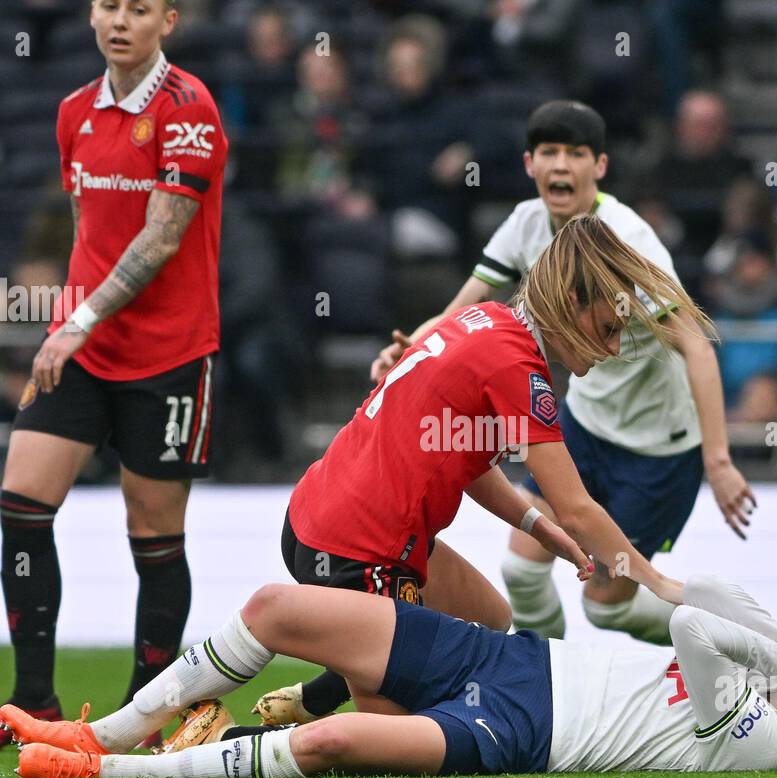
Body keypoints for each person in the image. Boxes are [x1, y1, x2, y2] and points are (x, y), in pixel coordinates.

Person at [267, 214, 705, 726]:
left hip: (319, 518)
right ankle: (236, 742)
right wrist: (658, 581)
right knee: (398, 739)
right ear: (570, 303)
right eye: (608, 329)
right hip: (358, 551)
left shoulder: (485, 322)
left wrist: (538, 527)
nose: (611, 349)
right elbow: (579, 510)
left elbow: (466, 457)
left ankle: (315, 697)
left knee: (488, 620)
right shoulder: (517, 368)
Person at [368, 101, 755, 654]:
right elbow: (461, 308)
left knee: (606, 605)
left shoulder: (626, 240)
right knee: (521, 569)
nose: (562, 165)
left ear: (599, 166)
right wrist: (409, 352)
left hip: (656, 450)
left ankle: (730, 645)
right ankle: (549, 683)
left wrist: (718, 461)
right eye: (550, 152)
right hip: (585, 422)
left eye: (576, 154)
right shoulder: (526, 222)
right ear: (530, 164)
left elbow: (696, 345)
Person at [0, 0, 229, 749]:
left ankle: (148, 709)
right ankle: (32, 702)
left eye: (139, 8)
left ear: (168, 20)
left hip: (169, 356)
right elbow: (88, 229)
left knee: (154, 532)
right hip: (84, 350)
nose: (119, 20)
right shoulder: (73, 111)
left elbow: (162, 236)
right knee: (22, 506)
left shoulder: (190, 108)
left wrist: (77, 319)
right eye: (108, 5)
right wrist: (71, 322)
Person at [0, 573, 777, 778]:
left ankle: (105, 771)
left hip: (522, 730)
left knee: (329, 738)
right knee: (279, 607)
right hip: (507, 660)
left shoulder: (757, 749)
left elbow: (692, 623)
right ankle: (104, 729)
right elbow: (715, 590)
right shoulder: (775, 685)